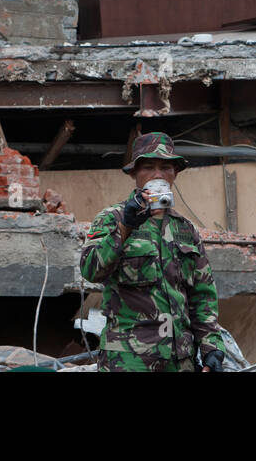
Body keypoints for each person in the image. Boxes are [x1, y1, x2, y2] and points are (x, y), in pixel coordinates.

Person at [79, 131, 228, 372]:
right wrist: (126, 226)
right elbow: (91, 270)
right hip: (129, 361)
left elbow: (202, 294)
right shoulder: (112, 218)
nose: (158, 175)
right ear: (134, 174)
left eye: (165, 167)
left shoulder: (186, 229)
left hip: (180, 361)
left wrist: (211, 347)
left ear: (175, 174)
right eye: (148, 167)